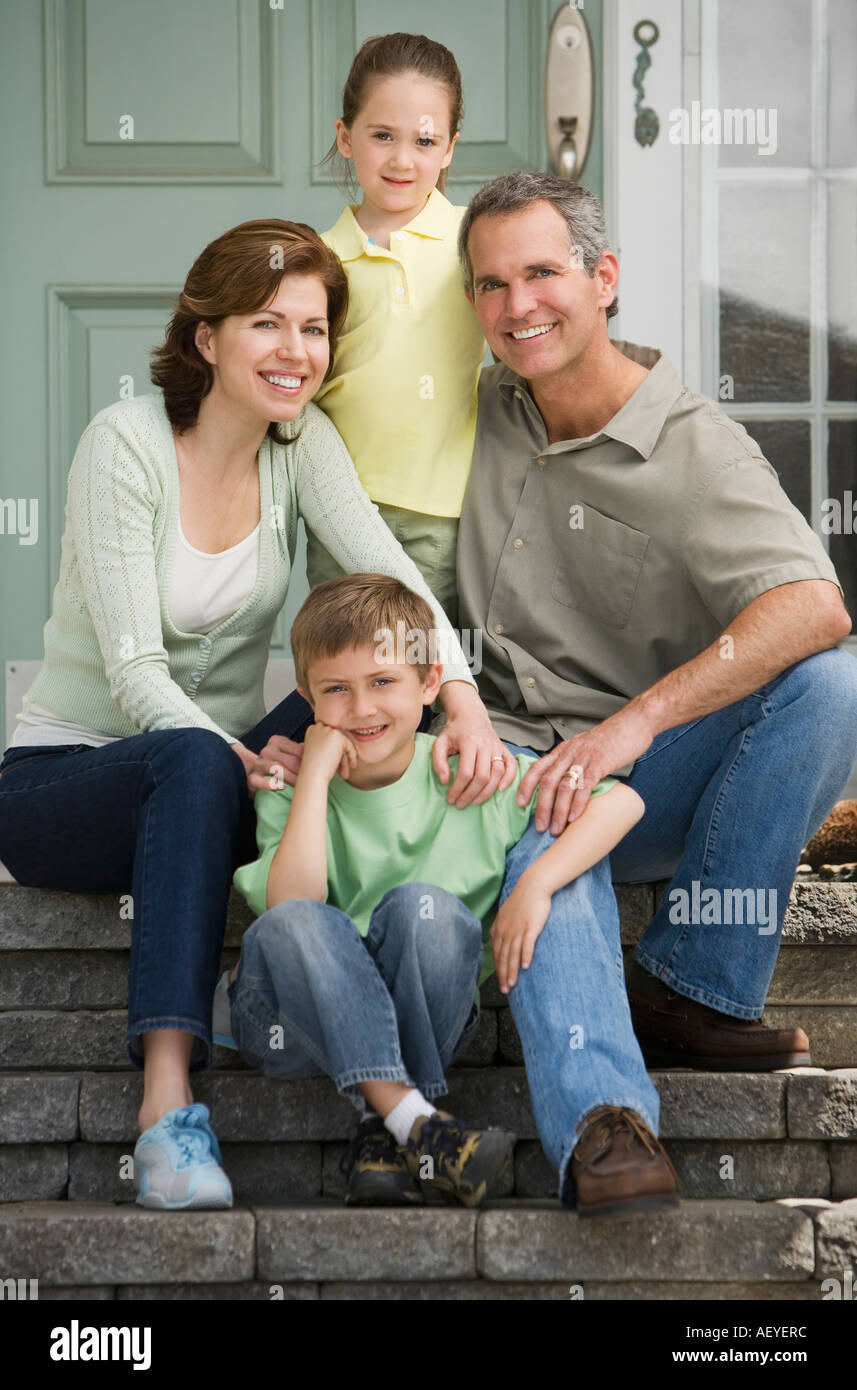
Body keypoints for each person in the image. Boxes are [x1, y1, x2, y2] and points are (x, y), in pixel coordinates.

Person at [0, 218, 512, 1211]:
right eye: (266, 324)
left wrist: (462, 698)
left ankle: (329, 956)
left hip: (219, 765)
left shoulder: (299, 443)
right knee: (195, 755)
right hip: (70, 781)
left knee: (360, 702)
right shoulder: (126, 445)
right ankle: (165, 1114)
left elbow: (389, 576)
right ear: (206, 340)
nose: (296, 352)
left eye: (315, 330)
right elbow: (135, 669)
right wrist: (246, 759)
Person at [451, 169, 857, 1214]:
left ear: (604, 280)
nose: (517, 305)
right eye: (489, 285)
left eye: (541, 273)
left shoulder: (691, 447)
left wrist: (627, 726)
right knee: (552, 832)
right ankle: (604, 1124)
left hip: (649, 772)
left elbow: (812, 606)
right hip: (504, 762)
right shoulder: (483, 408)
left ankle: (691, 978)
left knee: (831, 685)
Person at [214, 573, 664, 1210]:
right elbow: (294, 904)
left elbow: (623, 801)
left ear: (429, 685)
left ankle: (386, 1130)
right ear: (307, 697)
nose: (362, 709)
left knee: (426, 911)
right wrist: (314, 775)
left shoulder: (467, 774)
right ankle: (414, 1123)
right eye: (335, 691)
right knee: (297, 922)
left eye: (382, 683)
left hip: (428, 1015)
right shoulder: (288, 786)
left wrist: (534, 884)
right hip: (287, 1017)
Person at [305, 32, 486, 626]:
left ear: (450, 148)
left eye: (425, 140)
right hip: (340, 506)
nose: (403, 159)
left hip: (442, 508)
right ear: (345, 137)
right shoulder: (317, 257)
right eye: (383, 135)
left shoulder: (474, 241)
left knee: (422, 661)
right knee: (345, 658)